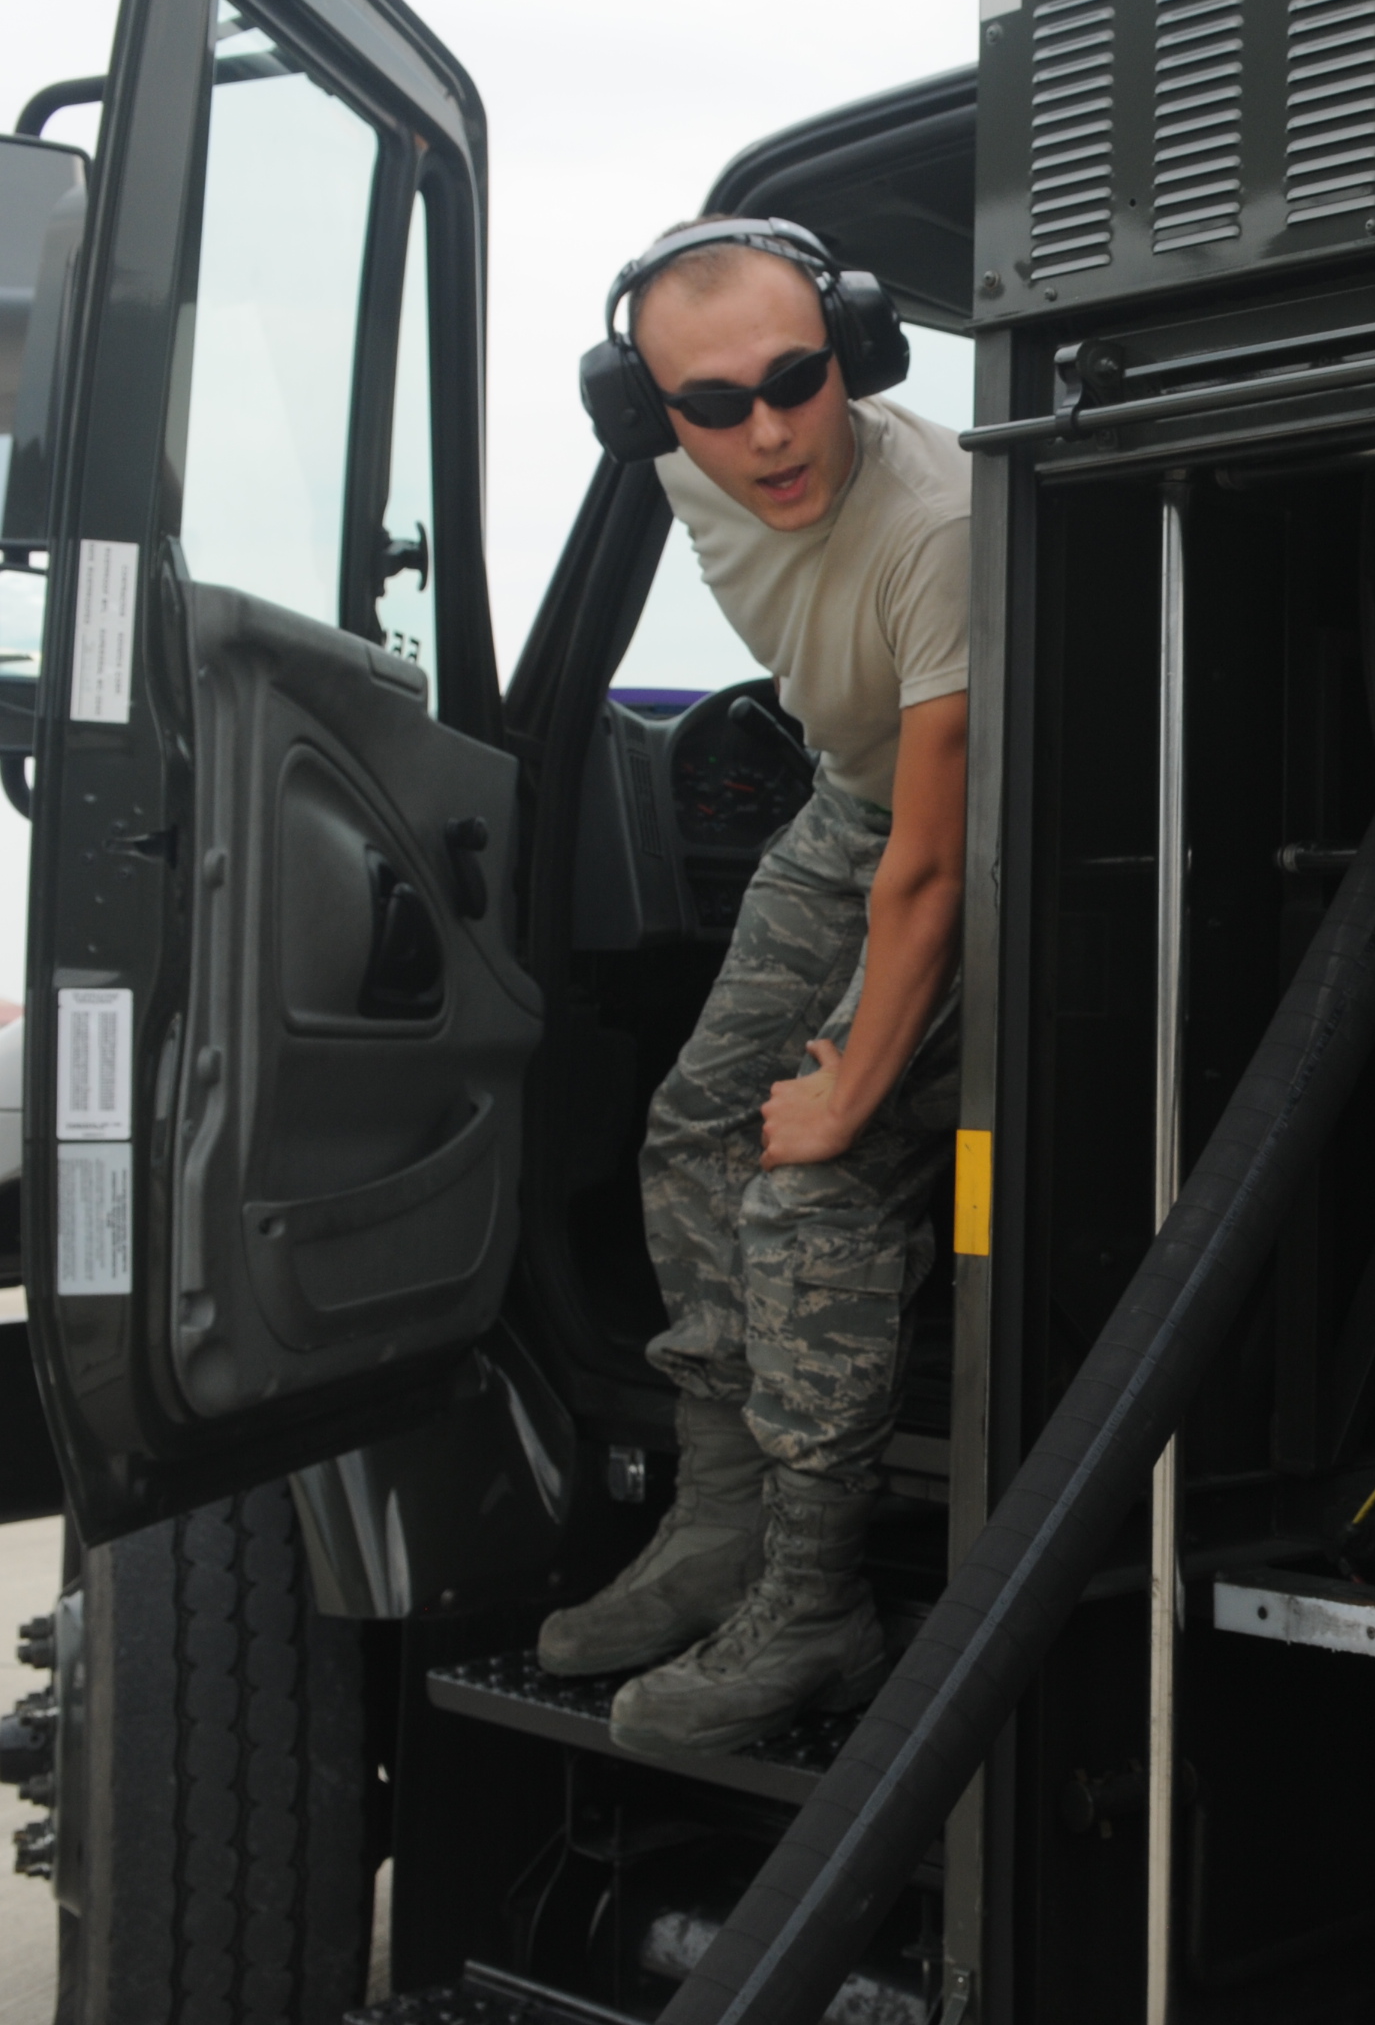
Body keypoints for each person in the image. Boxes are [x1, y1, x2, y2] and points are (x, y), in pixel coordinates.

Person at [538, 219, 971, 1758]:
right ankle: (719, 1526)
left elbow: (931, 870)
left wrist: (853, 1086)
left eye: (799, 380)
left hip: (993, 833)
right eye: (714, 404)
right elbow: (868, 819)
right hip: (849, 803)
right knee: (696, 1126)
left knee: (813, 1185)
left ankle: (812, 1602)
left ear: (849, 349)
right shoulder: (678, 463)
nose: (768, 431)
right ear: (650, 412)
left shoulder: (937, 530)